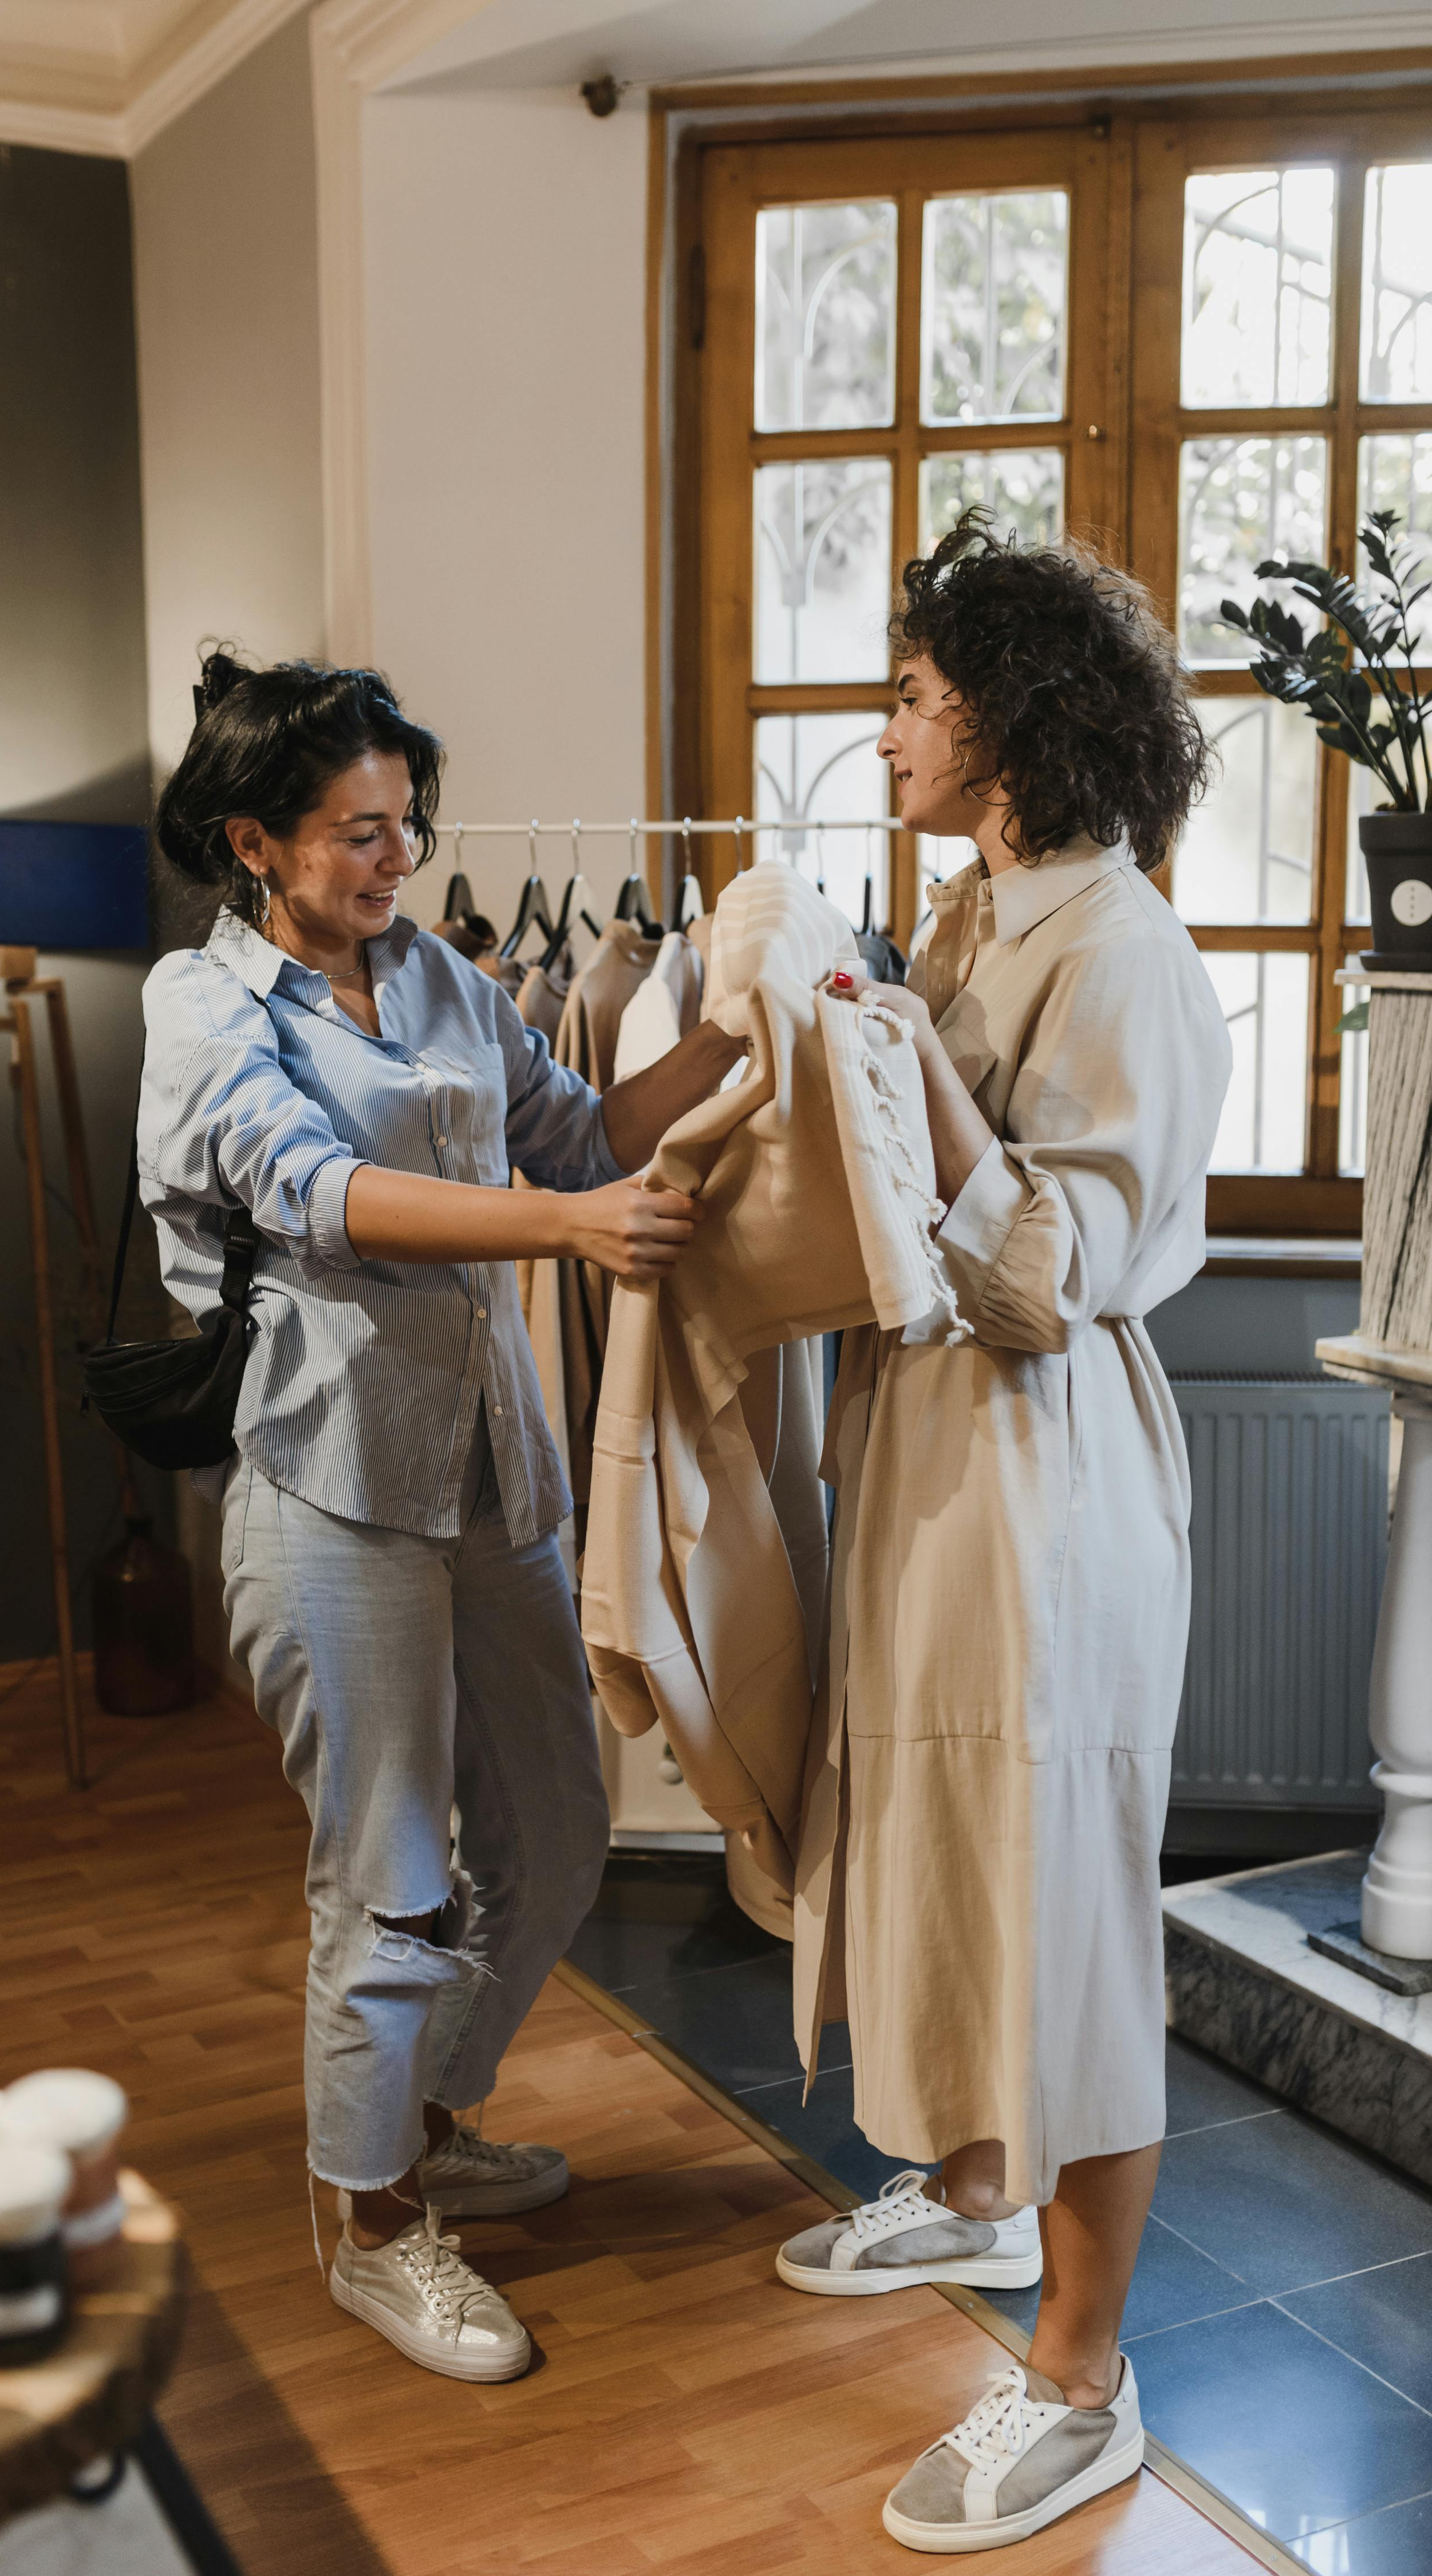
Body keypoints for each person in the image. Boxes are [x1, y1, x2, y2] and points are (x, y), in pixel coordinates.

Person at [140, 653, 744, 2385]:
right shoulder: (209, 1006)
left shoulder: (449, 983)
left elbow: (585, 1135)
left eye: (406, 825)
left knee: (555, 1832)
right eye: (353, 833)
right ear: (254, 838)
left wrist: (738, 1022)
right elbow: (312, 1194)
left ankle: (420, 2107)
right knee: (390, 1877)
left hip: (494, 1473)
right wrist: (559, 1231)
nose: (391, 860)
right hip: (331, 1485)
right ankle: (374, 2220)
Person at [773, 520, 1232, 2551]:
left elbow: (1057, 1267)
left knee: (1068, 1920)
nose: (883, 736)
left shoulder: (1121, 950)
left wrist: (900, 1067)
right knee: (956, 1866)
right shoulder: (974, 914)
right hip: (942, 1465)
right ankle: (977, 2198)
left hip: (1048, 1480)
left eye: (910, 703)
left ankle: (1081, 2374)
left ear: (1009, 726)